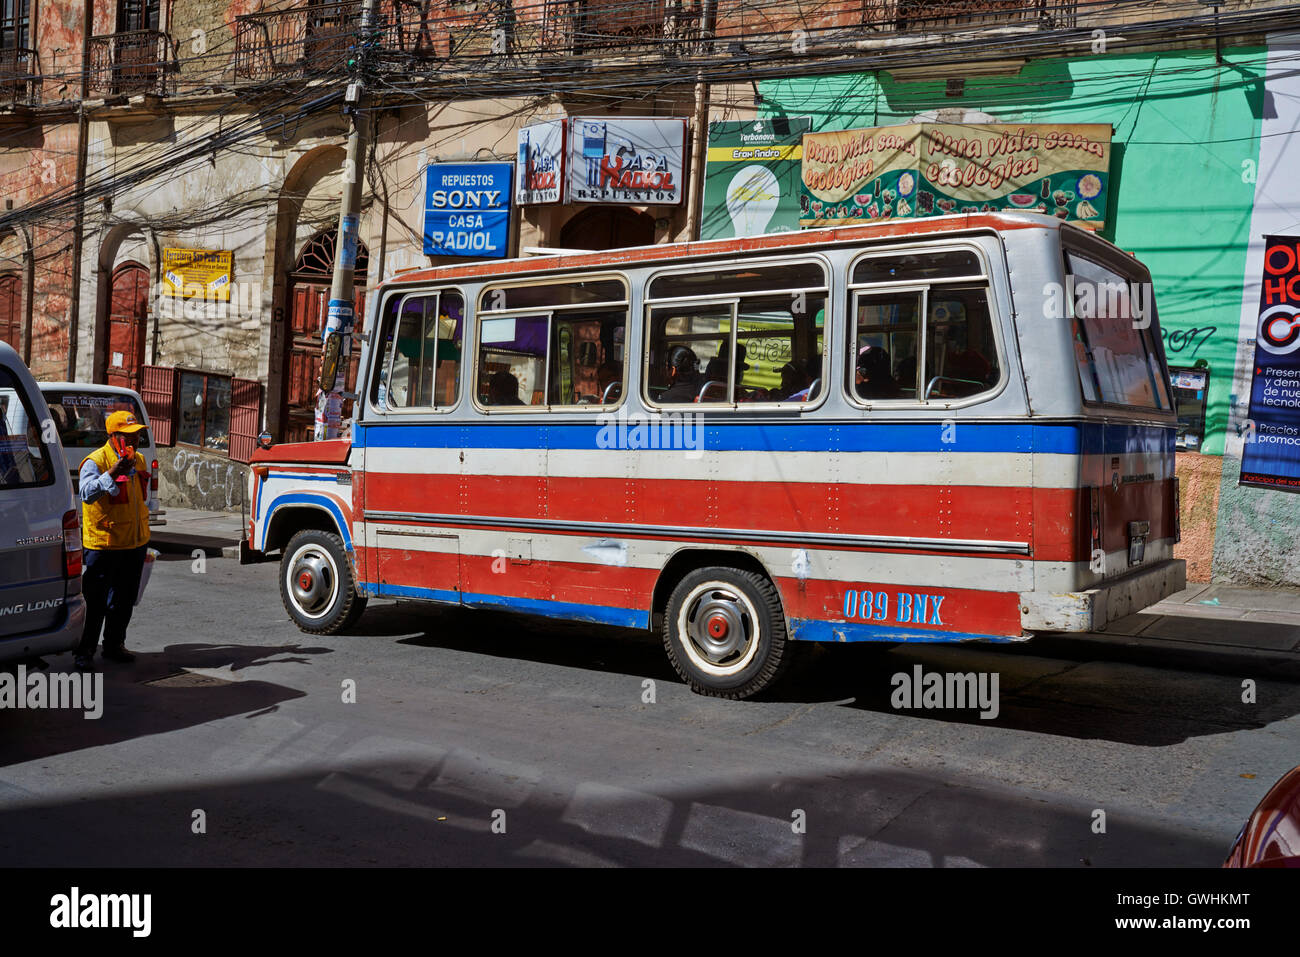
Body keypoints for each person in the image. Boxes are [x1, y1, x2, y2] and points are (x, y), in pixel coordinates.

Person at [74, 409, 151, 670]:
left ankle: (114, 644)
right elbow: (85, 493)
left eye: (138, 435)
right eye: (128, 436)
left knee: (124, 600)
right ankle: (84, 652)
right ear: (113, 436)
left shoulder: (138, 460)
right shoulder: (96, 461)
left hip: (134, 543)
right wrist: (112, 473)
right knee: (95, 604)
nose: (134, 441)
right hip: (104, 545)